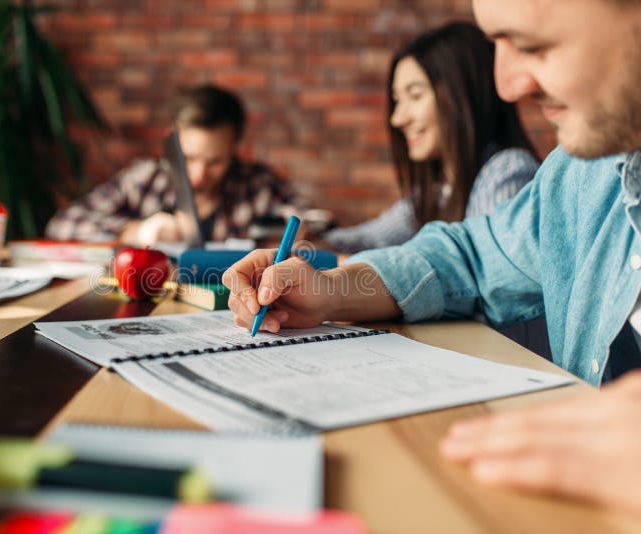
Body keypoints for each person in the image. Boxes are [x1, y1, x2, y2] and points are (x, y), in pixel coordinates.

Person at [223, 0, 641, 513]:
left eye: (532, 45)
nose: (507, 85)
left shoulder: (514, 167)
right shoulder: (582, 174)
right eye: (496, 45)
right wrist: (333, 287)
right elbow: (465, 255)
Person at [324, 22, 538, 254]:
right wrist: (310, 244)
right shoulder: (440, 188)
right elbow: (370, 237)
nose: (397, 118)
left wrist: (352, 269)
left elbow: (479, 274)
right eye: (398, 100)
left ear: (462, 96)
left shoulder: (507, 172)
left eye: (415, 96)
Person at [45, 84, 299, 245]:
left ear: (234, 147)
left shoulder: (260, 184)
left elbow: (316, 226)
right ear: (172, 141)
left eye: (215, 162)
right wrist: (135, 231)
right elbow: (63, 223)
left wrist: (302, 234)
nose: (199, 175)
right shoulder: (145, 177)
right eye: (189, 158)